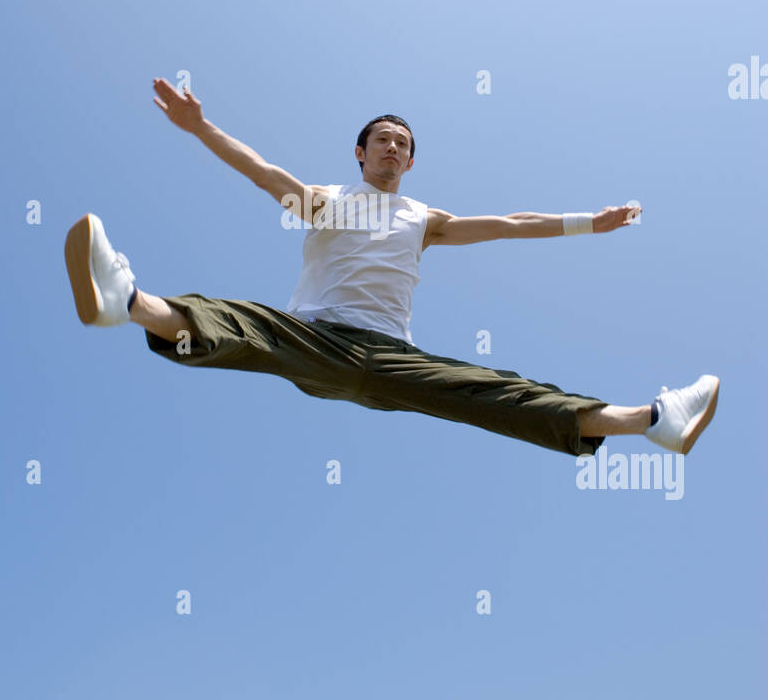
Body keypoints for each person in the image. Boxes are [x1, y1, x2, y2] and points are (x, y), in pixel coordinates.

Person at [63, 80, 719, 459]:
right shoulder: (325, 202)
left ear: (409, 162)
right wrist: (201, 129)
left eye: (403, 143)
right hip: (316, 340)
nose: (394, 146)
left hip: (388, 359)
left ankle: (651, 421)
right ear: (360, 152)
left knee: (494, 389)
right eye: (383, 138)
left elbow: (510, 224)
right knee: (243, 323)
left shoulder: (423, 219)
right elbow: (263, 174)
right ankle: (127, 300)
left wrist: (587, 222)